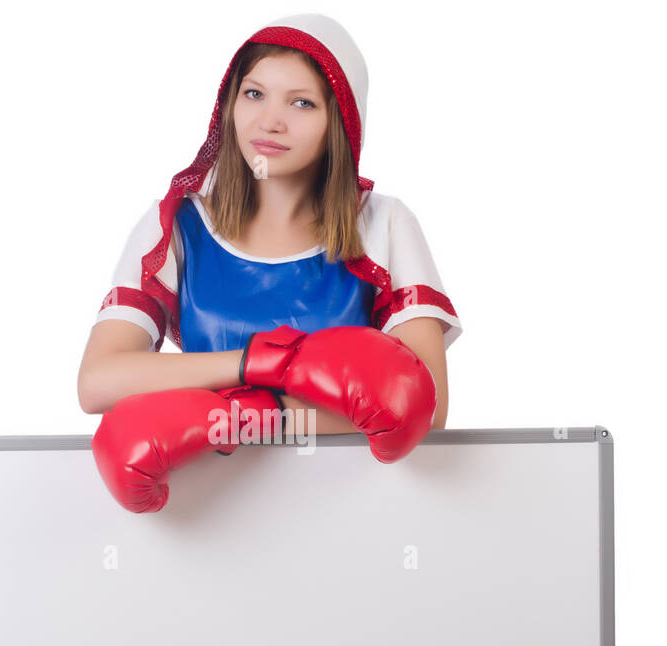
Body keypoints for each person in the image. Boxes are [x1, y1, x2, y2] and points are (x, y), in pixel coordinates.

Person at [78, 13, 462, 513]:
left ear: (339, 121)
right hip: (211, 513)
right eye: (254, 93)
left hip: (353, 511)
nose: (270, 121)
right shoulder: (174, 224)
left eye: (301, 103)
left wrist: (249, 414)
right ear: (230, 102)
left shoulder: (383, 223)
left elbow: (423, 406)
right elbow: (98, 381)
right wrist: (252, 365)